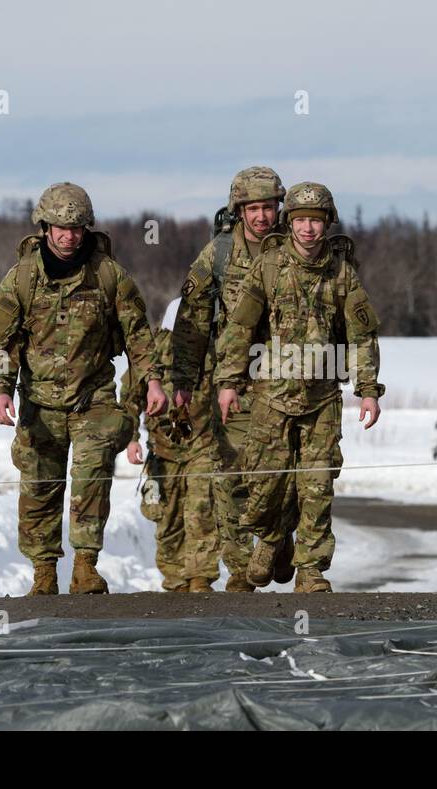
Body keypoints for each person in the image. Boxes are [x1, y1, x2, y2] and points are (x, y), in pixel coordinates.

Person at [0, 182, 164, 596]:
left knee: (91, 477)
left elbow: (138, 335)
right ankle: (44, 574)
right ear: (44, 228)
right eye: (60, 228)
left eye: (77, 228)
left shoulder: (108, 276)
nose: (68, 236)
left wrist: (152, 379)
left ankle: (85, 567)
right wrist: (0, 389)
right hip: (40, 402)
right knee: (40, 487)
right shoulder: (22, 279)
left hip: (93, 397)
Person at [215, 181, 385, 592]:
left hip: (322, 397)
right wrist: (228, 383)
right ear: (289, 222)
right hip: (271, 395)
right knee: (265, 483)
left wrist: (367, 389)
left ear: (327, 224)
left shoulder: (341, 272)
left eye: (316, 220)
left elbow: (362, 335)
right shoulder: (269, 267)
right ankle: (271, 539)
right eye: (301, 220)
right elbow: (240, 327)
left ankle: (311, 570)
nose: (308, 229)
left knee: (317, 484)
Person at [172, 166, 291, 591]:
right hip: (235, 381)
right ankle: (241, 568)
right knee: (231, 474)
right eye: (253, 208)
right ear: (238, 210)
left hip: (290, 379)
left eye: (269, 206)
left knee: (285, 473)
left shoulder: (301, 247)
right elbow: (192, 322)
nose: (262, 216)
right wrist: (183, 380)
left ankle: (278, 540)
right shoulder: (218, 255)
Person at [125, 299, 222, 592]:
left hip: (203, 444)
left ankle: (199, 577)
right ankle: (175, 581)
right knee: (165, 517)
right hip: (162, 450)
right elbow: (130, 395)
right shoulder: (152, 353)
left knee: (201, 509)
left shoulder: (215, 350)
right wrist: (131, 438)